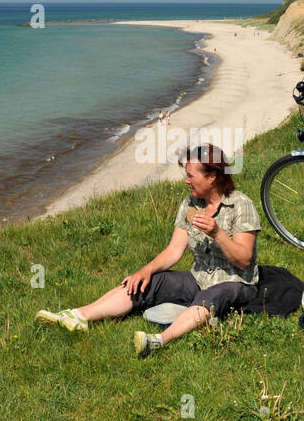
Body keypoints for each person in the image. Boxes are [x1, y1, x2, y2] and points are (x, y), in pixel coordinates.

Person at [36, 143, 260, 356]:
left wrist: (217, 233)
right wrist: (145, 271)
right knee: (148, 283)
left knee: (213, 295)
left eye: (191, 175)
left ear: (212, 177)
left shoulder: (241, 205)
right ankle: (77, 316)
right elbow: (174, 250)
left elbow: (243, 260)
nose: (186, 181)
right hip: (198, 278)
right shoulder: (190, 204)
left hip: (236, 282)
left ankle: (159, 341)